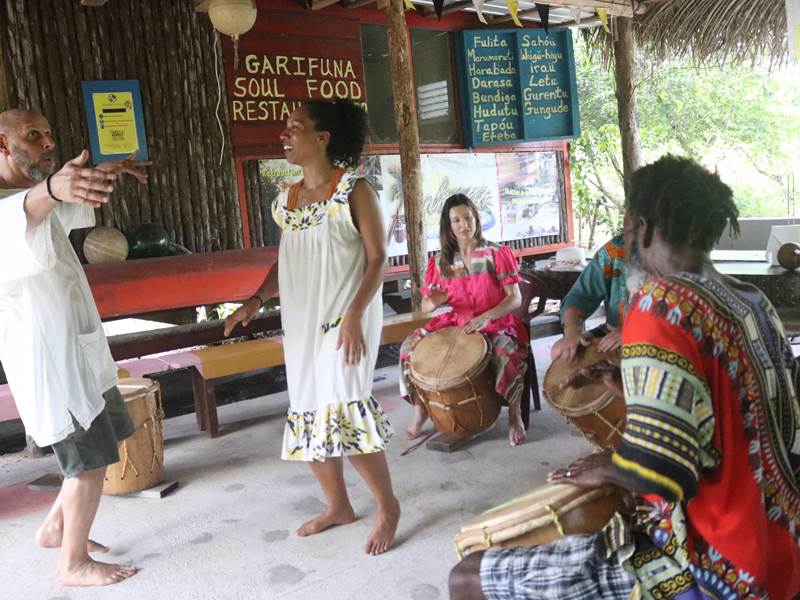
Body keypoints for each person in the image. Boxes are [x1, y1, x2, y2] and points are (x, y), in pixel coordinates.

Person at [449, 155, 800, 599]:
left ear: (644, 227)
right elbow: (744, 417)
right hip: (780, 546)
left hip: (711, 560)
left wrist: (613, 466)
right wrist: (631, 386)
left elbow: (661, 472)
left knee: (468, 576)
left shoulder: (660, 305)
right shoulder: (753, 302)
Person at [224, 98, 400, 556]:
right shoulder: (288, 198)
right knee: (308, 406)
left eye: (295, 127)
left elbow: (379, 258)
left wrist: (355, 316)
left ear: (323, 138)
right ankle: (338, 505)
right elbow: (286, 259)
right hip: (301, 321)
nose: (285, 134)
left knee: (343, 403)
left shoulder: (355, 190)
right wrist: (255, 301)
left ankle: (387, 507)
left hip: (348, 317)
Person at [0, 108, 150, 586]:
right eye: (33, 135)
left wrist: (97, 174)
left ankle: (54, 529)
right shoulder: (13, 204)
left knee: (104, 440)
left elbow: (54, 204)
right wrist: (50, 189)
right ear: (3, 145)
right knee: (88, 460)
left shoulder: (31, 198)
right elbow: (29, 209)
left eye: (48, 133)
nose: (47, 142)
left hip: (79, 345)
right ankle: (72, 563)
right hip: (48, 359)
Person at [399, 194, 528, 446]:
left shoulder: (496, 253)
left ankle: (515, 414)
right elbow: (426, 306)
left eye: (467, 217)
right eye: (456, 220)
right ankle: (421, 409)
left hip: (495, 320)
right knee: (409, 347)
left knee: (504, 351)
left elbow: (515, 299)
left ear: (476, 218)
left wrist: (485, 318)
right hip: (457, 322)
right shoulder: (441, 262)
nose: (463, 225)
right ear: (449, 226)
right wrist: (433, 300)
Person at [550, 233, 627, 362]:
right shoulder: (617, 248)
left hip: (655, 337)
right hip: (611, 333)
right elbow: (580, 295)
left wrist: (633, 334)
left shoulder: (669, 254)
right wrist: (571, 330)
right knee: (560, 351)